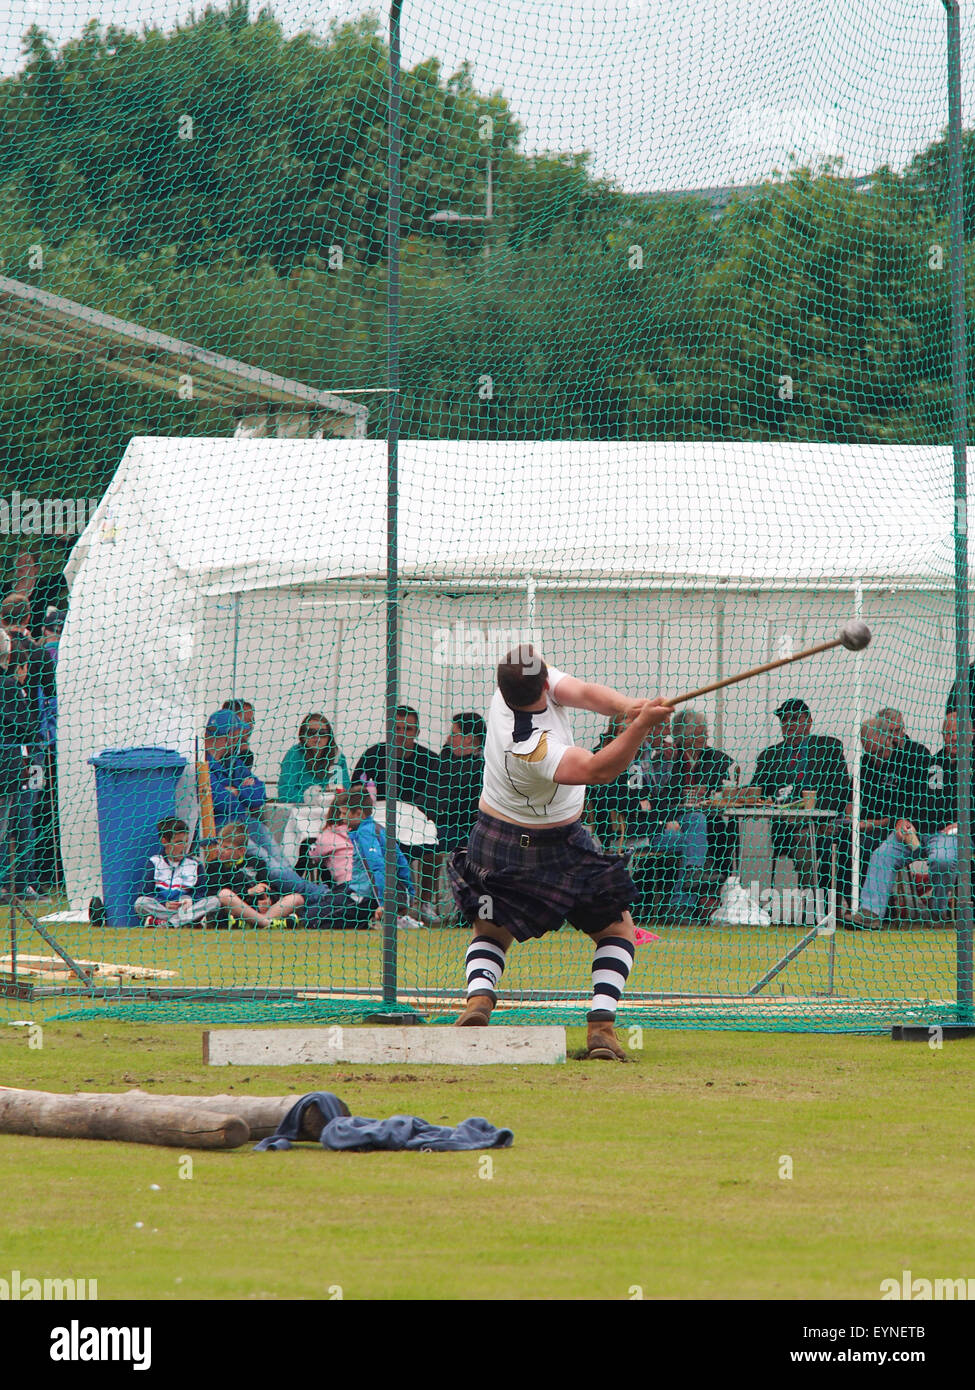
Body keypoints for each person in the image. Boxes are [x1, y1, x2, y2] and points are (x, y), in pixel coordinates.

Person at [447, 644, 672, 1060]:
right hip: (558, 843)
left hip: (495, 838)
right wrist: (639, 728)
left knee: (492, 931)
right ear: (544, 683)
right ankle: (601, 1026)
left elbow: (584, 693)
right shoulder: (527, 744)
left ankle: (479, 1001)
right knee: (616, 930)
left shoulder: (507, 691)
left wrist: (628, 708)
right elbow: (597, 770)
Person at [204, 708, 333, 906]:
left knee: (282, 861)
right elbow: (222, 801)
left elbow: (259, 795)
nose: (241, 738)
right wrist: (240, 790)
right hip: (225, 830)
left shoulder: (233, 762)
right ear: (227, 736)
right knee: (270, 864)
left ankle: (308, 897)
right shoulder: (202, 764)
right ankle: (319, 895)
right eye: (237, 734)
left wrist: (236, 791)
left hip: (247, 822)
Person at [848, 713, 962, 929]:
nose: (953, 738)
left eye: (957, 733)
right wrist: (902, 819)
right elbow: (909, 796)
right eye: (948, 733)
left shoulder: (920, 754)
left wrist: (964, 825)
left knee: (943, 859)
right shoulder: (932, 762)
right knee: (882, 855)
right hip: (916, 830)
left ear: (970, 733)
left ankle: (939, 911)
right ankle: (870, 914)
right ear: (942, 736)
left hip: (948, 833)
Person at [749, 697, 851, 891]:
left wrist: (816, 821)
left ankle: (832, 903)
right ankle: (811, 905)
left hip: (825, 824)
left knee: (844, 839)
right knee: (804, 838)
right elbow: (757, 792)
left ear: (809, 721)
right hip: (786, 829)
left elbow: (840, 789)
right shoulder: (769, 756)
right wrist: (744, 794)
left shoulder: (829, 748)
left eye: (795, 718)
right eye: (784, 720)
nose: (789, 724)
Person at [353, 706, 441, 920]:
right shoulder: (373, 755)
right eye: (397, 728)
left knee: (435, 847)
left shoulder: (429, 760)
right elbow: (357, 788)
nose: (402, 734)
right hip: (379, 819)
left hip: (415, 821)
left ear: (417, 732)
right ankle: (370, 900)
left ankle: (425, 903)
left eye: (408, 729)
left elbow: (437, 796)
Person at [202, 822, 303, 929]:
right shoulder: (214, 866)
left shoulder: (256, 863)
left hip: (257, 909)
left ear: (242, 851)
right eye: (219, 845)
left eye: (226, 847)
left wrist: (268, 900)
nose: (220, 850)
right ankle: (266, 923)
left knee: (297, 898)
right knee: (224, 895)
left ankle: (257, 921)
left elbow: (272, 888)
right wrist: (248, 892)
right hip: (234, 909)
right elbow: (213, 895)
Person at [0, 628, 35, 902]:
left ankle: (23, 883)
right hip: (13, 769)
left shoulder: (24, 691)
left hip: (28, 767)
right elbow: (27, 729)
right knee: (19, 823)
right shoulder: (12, 690)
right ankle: (16, 884)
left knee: (25, 820)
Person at [134, 817, 211, 927]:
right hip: (164, 908)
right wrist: (164, 903)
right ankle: (182, 922)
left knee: (214, 901)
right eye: (179, 842)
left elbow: (202, 893)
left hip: (186, 908)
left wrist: (191, 901)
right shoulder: (155, 862)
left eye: (185, 842)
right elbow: (145, 892)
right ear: (164, 842)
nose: (184, 847)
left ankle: (168, 923)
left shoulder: (195, 864)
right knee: (140, 903)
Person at [278, 714, 351, 803]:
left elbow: (344, 791)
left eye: (322, 733)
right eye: (311, 733)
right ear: (303, 735)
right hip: (300, 811)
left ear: (329, 736)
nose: (317, 737)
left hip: (331, 810)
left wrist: (327, 797)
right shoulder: (295, 755)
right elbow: (285, 793)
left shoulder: (337, 757)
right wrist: (306, 798)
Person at [221, 699, 256, 768]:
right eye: (245, 721)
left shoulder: (240, 752)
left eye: (252, 721)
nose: (250, 726)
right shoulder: (219, 754)